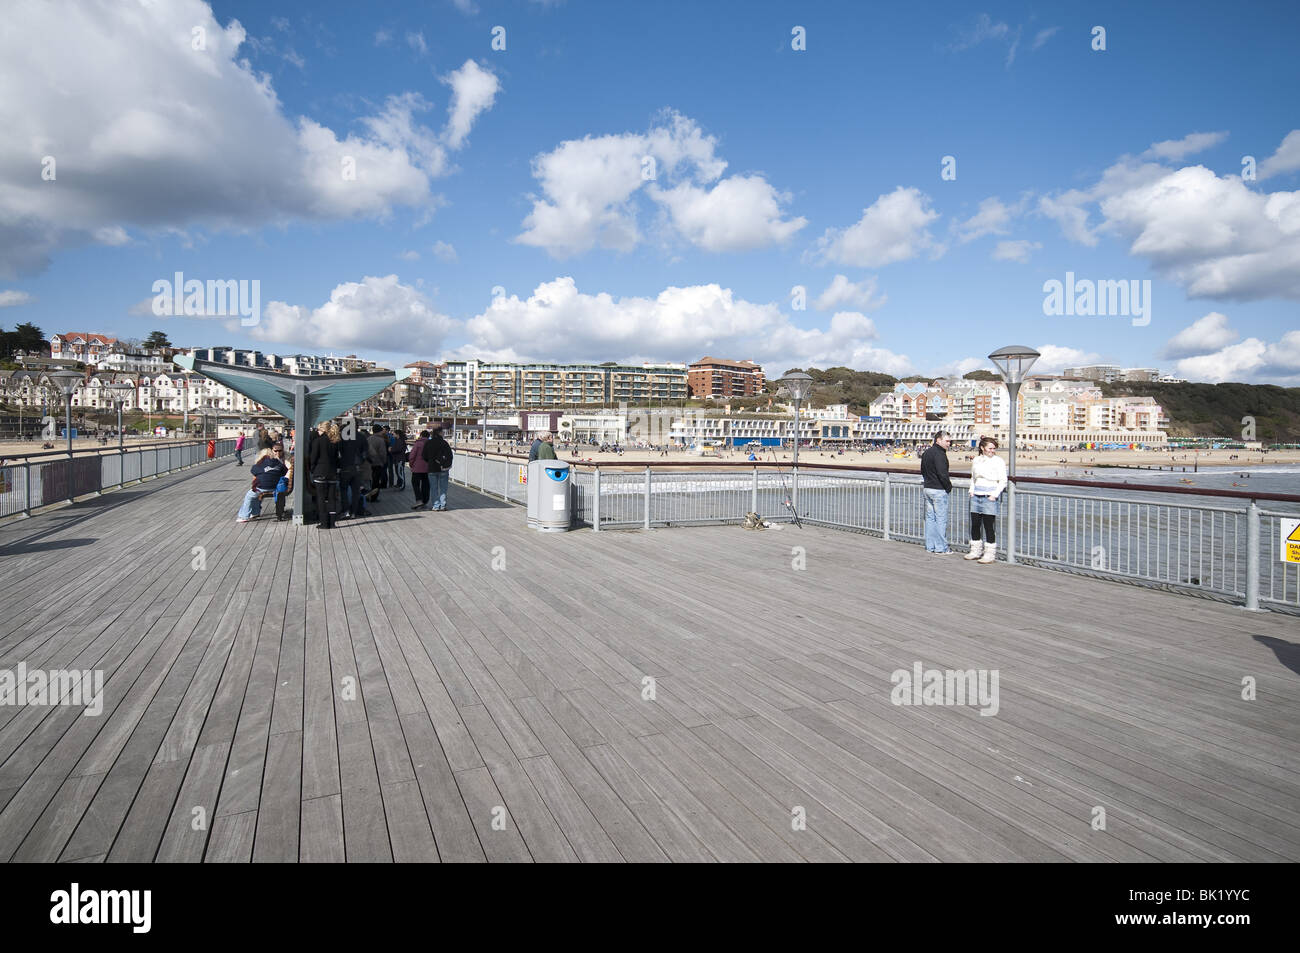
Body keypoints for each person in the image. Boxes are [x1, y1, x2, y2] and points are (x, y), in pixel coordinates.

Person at [965, 437, 1007, 564]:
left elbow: (1003, 480)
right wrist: (971, 491)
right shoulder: (977, 460)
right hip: (976, 495)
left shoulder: (998, 461)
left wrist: (994, 495)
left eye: (994, 448)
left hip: (989, 496)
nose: (992, 451)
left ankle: (989, 553)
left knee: (989, 525)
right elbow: (973, 478)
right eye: (990, 448)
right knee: (975, 524)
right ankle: (975, 551)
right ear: (982, 448)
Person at [920, 430, 954, 555]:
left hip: (928, 488)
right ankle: (941, 548)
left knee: (930, 518)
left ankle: (930, 546)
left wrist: (928, 481)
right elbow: (942, 473)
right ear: (938, 440)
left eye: (950, 441)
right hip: (938, 490)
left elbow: (923, 470)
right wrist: (948, 486)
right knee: (940, 519)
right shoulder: (940, 454)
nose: (949, 443)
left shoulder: (927, 453)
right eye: (947, 441)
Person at [237, 443, 289, 523]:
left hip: (261, 487)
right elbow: (284, 472)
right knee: (255, 496)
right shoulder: (278, 463)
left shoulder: (259, 463)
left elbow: (253, 472)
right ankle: (255, 513)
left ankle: (244, 516)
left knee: (249, 496)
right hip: (275, 487)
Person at [310, 420, 342, 529]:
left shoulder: (318, 441)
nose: (317, 432)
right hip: (332, 472)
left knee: (321, 497)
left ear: (323, 430)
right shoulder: (336, 441)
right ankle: (332, 523)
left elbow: (313, 457)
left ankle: (323, 522)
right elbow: (338, 458)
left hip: (320, 471)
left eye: (319, 429)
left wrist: (312, 469)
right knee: (332, 498)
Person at [337, 422, 368, 519]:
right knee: (356, 491)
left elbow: (338, 452)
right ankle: (354, 512)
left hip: (345, 466)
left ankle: (345, 511)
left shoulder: (342, 436)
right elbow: (366, 452)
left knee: (344, 490)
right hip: (357, 467)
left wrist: (339, 464)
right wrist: (361, 461)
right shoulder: (361, 436)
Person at [422, 423, 454, 510]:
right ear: (440, 433)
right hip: (443, 468)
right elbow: (450, 456)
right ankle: (443, 505)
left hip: (432, 468)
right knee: (443, 488)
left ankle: (436, 506)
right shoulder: (444, 443)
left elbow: (424, 456)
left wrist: (430, 462)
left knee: (433, 488)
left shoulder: (429, 443)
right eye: (442, 432)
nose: (443, 433)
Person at [408, 429, 431, 510]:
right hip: (428, 468)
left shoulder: (418, 443)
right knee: (426, 484)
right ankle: (425, 500)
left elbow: (412, 456)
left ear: (421, 435)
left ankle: (419, 500)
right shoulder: (430, 444)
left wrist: (411, 464)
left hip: (417, 468)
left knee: (415, 483)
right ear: (428, 436)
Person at [366, 424, 388, 500]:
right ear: (379, 431)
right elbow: (383, 453)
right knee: (376, 481)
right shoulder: (381, 440)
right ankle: (374, 497)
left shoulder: (368, 439)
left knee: (369, 480)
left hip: (369, 463)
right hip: (378, 463)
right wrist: (383, 462)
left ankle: (367, 494)